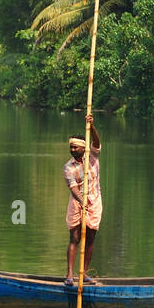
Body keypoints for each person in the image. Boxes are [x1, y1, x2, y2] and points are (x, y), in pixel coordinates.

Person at [64, 115, 102, 286]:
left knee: (91, 238)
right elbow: (72, 188)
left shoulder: (92, 157)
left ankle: (84, 274)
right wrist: (81, 201)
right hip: (77, 202)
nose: (72, 150)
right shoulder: (68, 167)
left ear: (82, 148)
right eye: (70, 147)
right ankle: (70, 275)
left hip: (94, 201)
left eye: (75, 147)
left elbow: (96, 141)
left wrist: (92, 126)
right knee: (75, 237)